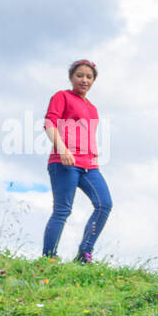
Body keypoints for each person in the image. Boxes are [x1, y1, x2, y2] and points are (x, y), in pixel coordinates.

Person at [42, 59, 111, 263]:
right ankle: (49, 258)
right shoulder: (62, 96)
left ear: (93, 81)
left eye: (89, 77)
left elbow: (87, 134)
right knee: (63, 210)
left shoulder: (93, 108)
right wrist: (62, 149)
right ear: (71, 77)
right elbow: (49, 123)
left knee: (104, 204)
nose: (84, 80)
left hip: (89, 165)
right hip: (64, 162)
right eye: (79, 75)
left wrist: (95, 160)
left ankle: (84, 254)